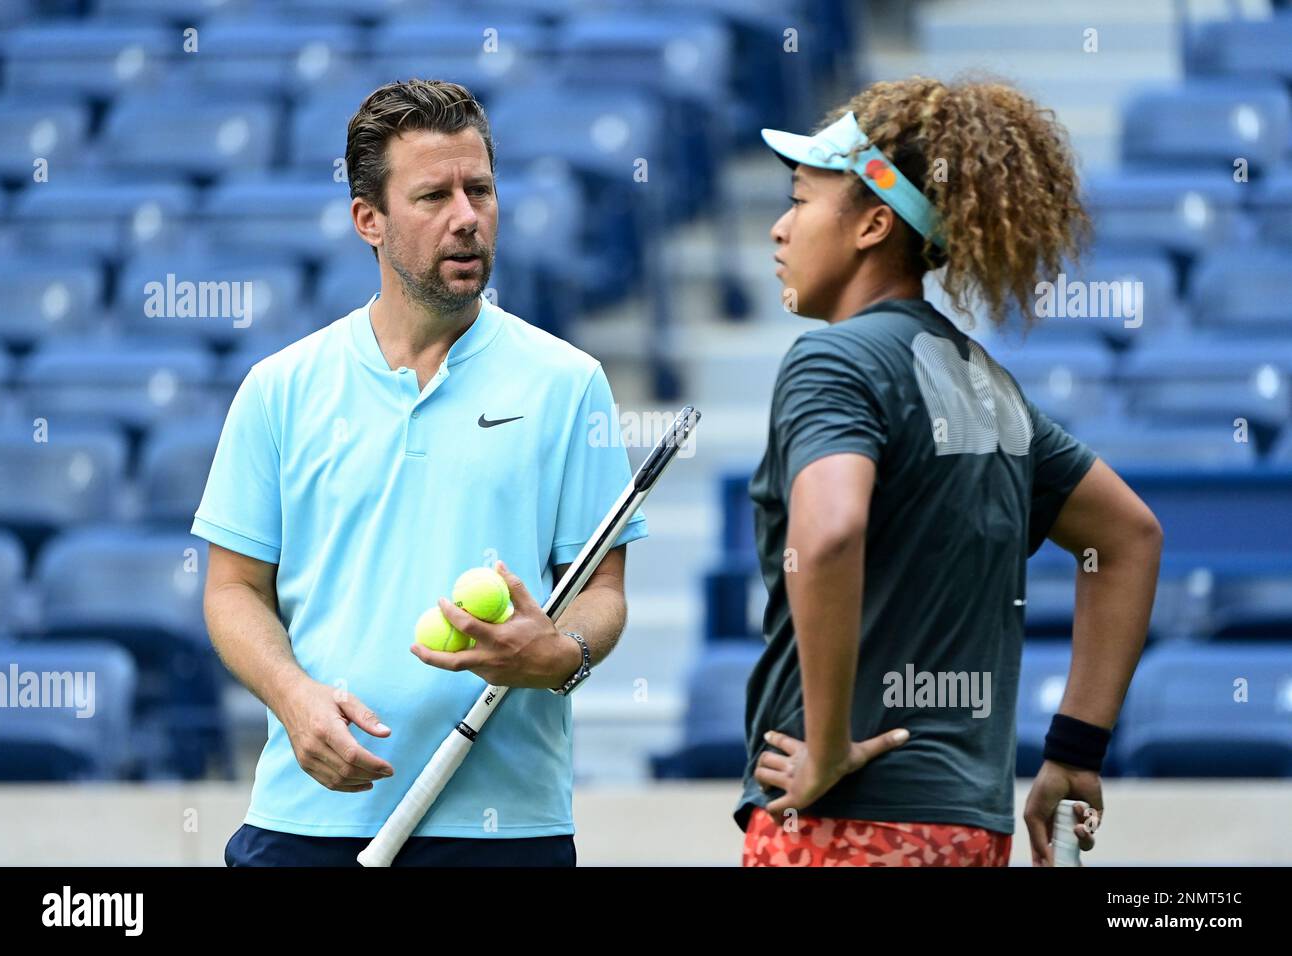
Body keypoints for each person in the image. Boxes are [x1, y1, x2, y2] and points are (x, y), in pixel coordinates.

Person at [194, 79, 646, 866]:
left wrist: (560, 653)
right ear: (368, 220)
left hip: (505, 829)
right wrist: (294, 699)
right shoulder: (279, 387)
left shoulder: (569, 383)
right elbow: (233, 590)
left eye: (481, 190)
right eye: (434, 195)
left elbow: (602, 593)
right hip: (308, 820)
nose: (467, 217)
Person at [736, 76, 1163, 867]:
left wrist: (827, 747)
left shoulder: (832, 360)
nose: (778, 229)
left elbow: (829, 535)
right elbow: (1130, 538)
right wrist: (1074, 751)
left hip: (844, 826)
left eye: (800, 200)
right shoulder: (989, 386)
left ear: (871, 223)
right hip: (968, 830)